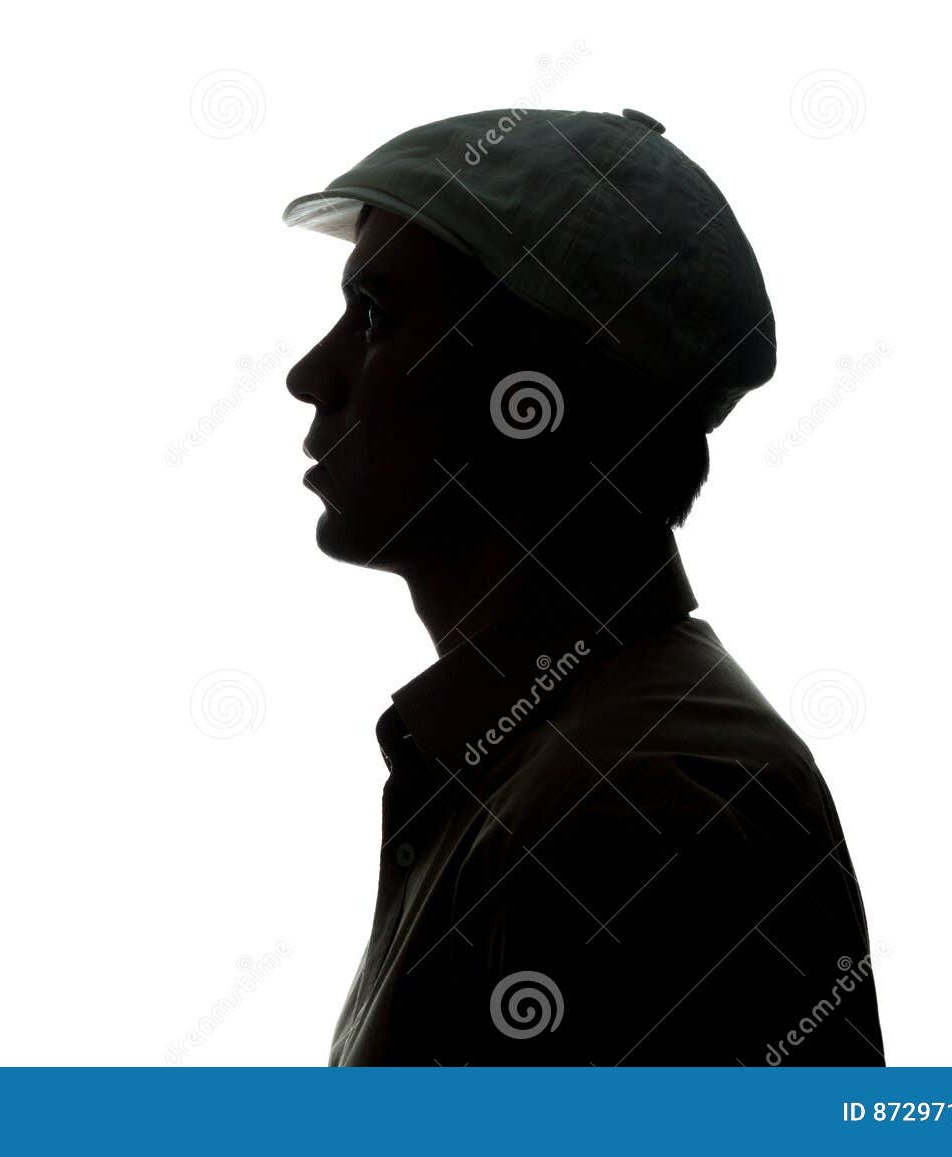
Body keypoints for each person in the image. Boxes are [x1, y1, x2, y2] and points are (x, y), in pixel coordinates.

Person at [281, 108, 884, 1066]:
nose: (309, 374)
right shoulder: (553, 759)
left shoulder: (633, 805)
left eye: (376, 316)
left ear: (533, 385)